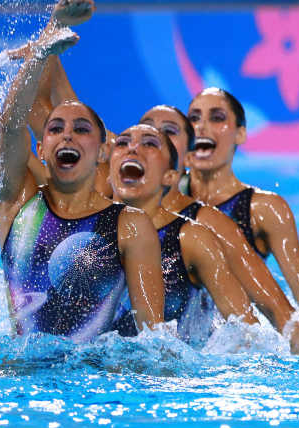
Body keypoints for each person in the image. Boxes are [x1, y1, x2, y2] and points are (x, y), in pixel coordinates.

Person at [0, 0, 299, 349]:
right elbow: (18, 131)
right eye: (127, 140)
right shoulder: (89, 203)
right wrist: (47, 41)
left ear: (176, 165)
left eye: (160, 138)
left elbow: (253, 323)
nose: (136, 148)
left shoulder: (194, 232)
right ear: (108, 154)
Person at [0, 30, 166, 343]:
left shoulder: (131, 225)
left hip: (96, 380)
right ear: (41, 150)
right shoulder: (18, 202)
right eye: (56, 129)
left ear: (102, 152)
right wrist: (37, 57)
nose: (67, 136)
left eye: (81, 129)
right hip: (18, 374)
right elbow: (10, 129)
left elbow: (154, 338)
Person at [107, 123, 266, 342]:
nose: (132, 149)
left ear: (170, 177)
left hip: (168, 372)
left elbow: (249, 333)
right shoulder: (88, 230)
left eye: (149, 144)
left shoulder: (191, 239)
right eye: (122, 142)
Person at [185, 88, 299, 322]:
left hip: (234, 339)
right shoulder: (162, 198)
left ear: (240, 134)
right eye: (194, 118)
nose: (201, 126)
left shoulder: (263, 209)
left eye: (217, 118)